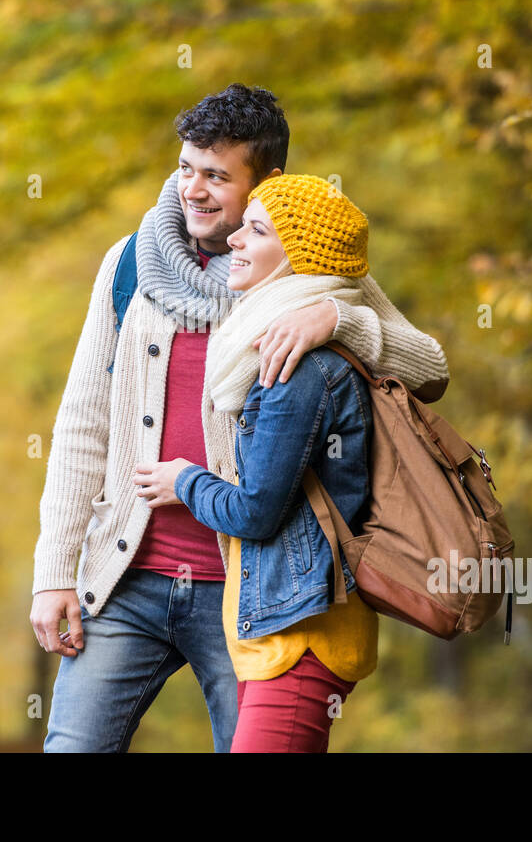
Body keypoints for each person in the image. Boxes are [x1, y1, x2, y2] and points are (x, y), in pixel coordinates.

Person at [32, 84, 448, 752]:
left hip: (249, 592)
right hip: (125, 575)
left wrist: (340, 319)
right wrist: (54, 571)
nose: (193, 190)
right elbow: (82, 421)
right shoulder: (130, 264)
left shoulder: (314, 275)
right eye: (186, 167)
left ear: (267, 182)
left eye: (217, 176)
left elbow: (431, 367)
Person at [132, 174, 381, 752]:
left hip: (303, 634)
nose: (236, 240)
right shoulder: (281, 341)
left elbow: (257, 512)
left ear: (299, 258)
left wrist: (184, 480)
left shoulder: (296, 366)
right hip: (287, 628)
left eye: (257, 230)